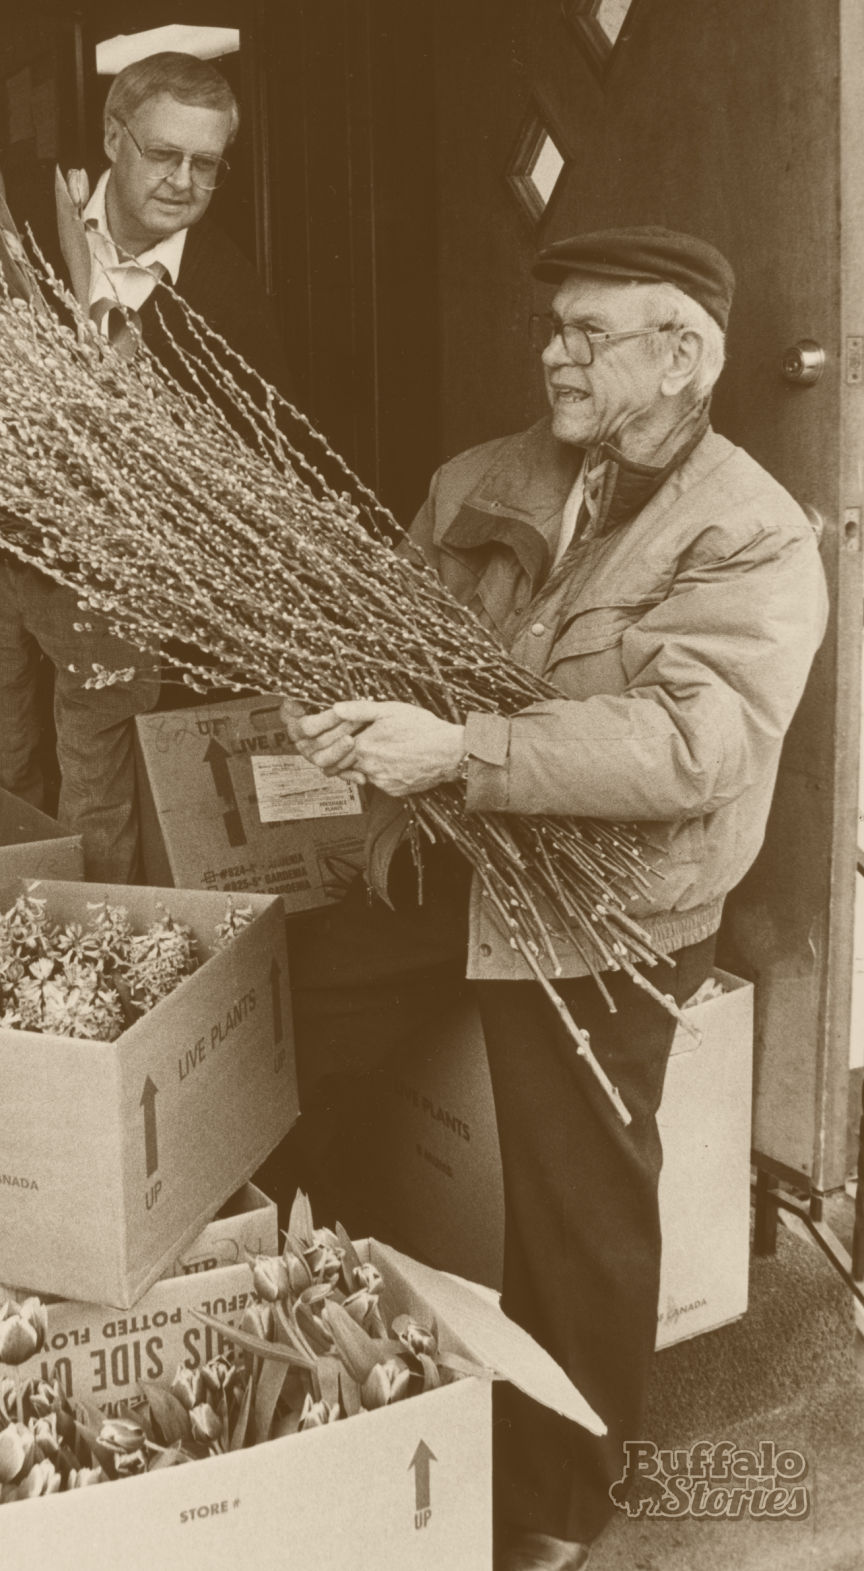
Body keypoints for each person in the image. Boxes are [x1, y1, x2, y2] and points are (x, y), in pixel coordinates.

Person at [282, 227, 828, 1571]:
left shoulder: (751, 530)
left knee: (580, 1201)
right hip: (452, 857)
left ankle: (556, 1497)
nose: (553, 354)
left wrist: (460, 753)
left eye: (591, 333)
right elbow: (386, 637)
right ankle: (321, 1326)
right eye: (553, 329)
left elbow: (691, 748)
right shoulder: (482, 475)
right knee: (282, 1017)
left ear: (683, 353)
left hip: (610, 910)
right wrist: (360, 745)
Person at [0, 51, 291, 883]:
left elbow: (247, 470)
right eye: (164, 153)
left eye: (206, 164)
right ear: (112, 137)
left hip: (115, 580)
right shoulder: (9, 224)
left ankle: (93, 963)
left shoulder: (231, 296)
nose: (183, 181)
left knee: (99, 794)